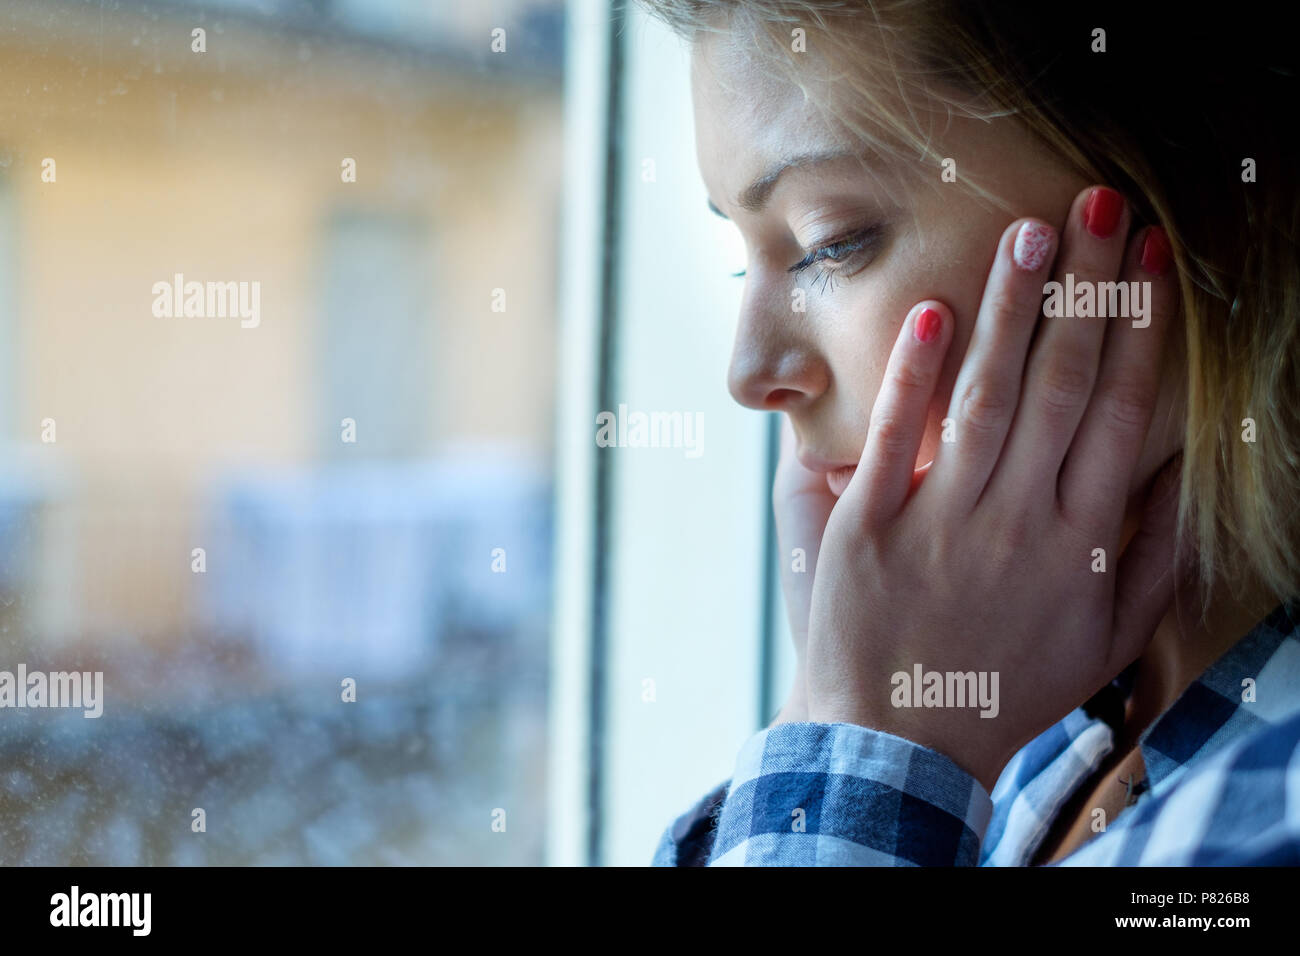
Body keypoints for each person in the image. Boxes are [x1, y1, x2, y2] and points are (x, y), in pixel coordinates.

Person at [643, 0, 1300, 865]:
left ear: (1187, 203)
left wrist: (873, 737)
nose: (749, 371)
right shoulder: (1010, 716)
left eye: (828, 245)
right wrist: (829, 707)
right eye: (741, 253)